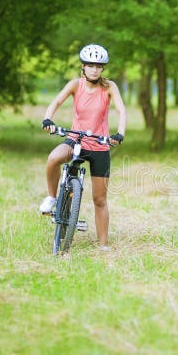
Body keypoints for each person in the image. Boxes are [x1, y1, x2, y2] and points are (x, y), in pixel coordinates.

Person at [39, 43, 127, 249]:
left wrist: (119, 133)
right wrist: (47, 119)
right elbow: (56, 102)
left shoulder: (109, 87)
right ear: (83, 67)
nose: (94, 69)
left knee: (99, 199)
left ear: (103, 68)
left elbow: (121, 111)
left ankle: (103, 245)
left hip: (99, 145)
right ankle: (52, 198)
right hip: (75, 139)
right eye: (90, 65)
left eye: (98, 66)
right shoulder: (74, 85)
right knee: (53, 158)